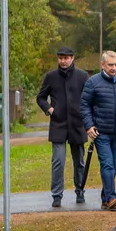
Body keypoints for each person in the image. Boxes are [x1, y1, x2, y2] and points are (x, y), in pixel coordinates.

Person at [36, 46, 90, 207]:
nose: (63, 61)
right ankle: (57, 195)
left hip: (77, 124)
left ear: (72, 58)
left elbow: (88, 98)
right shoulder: (51, 77)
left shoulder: (82, 76)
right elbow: (41, 98)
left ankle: (80, 190)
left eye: (66, 58)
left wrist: (85, 116)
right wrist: (50, 109)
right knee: (58, 160)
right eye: (60, 58)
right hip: (58, 124)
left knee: (79, 161)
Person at [81, 51, 116, 210]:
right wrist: (89, 125)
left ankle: (105, 197)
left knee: (113, 164)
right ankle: (111, 197)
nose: (114, 68)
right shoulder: (92, 82)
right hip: (101, 131)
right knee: (107, 165)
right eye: (110, 65)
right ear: (102, 65)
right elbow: (84, 105)